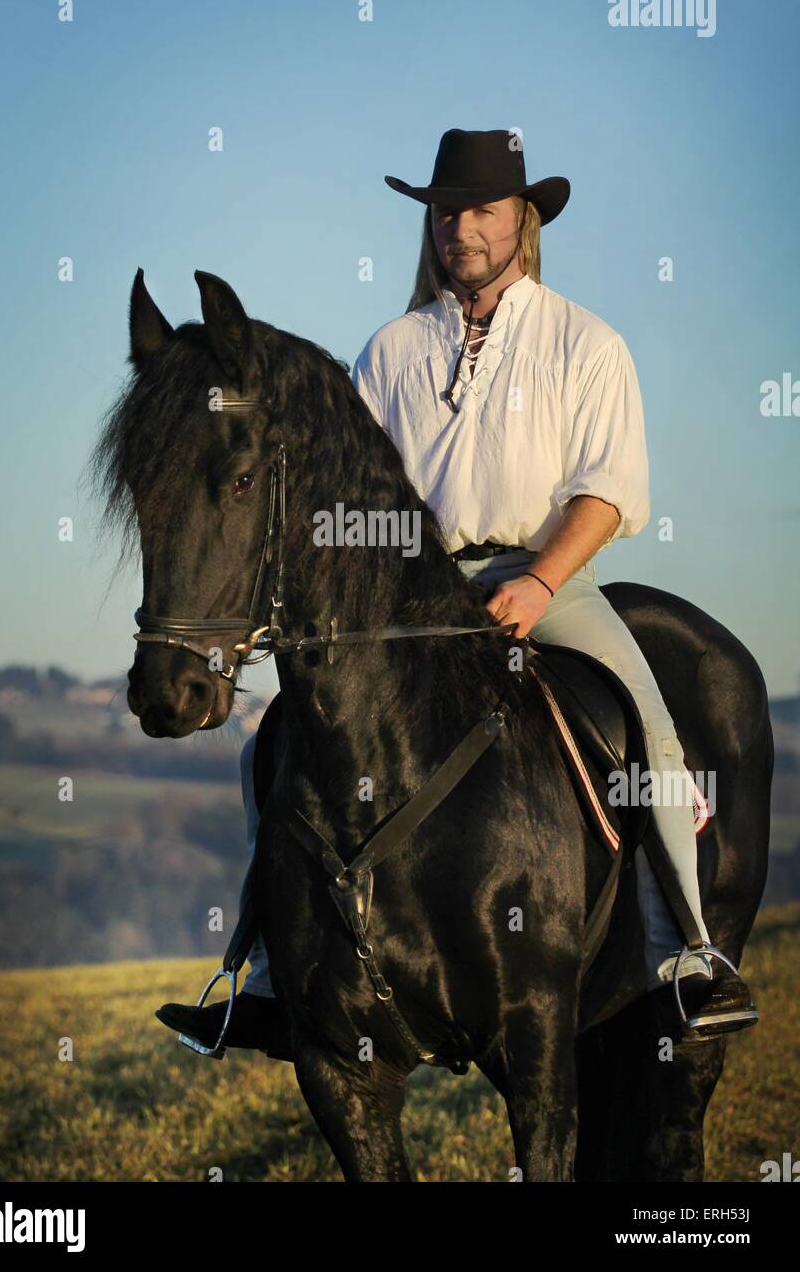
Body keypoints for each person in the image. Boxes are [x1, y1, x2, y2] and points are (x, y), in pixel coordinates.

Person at [158, 128, 757, 1056]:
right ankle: (268, 976)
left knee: (652, 731)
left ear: (523, 219)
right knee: (271, 747)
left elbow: (607, 491)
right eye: (445, 211)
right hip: (411, 596)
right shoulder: (390, 351)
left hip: (544, 576)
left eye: (480, 209)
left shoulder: (585, 342)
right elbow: (343, 487)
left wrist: (539, 582)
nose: (460, 227)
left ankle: (689, 958)